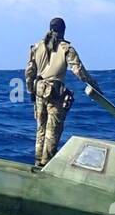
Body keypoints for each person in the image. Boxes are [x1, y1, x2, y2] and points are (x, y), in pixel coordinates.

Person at [25, 17, 102, 168]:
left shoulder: (36, 47)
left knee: (40, 129)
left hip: (39, 90)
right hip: (54, 93)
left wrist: (31, 91)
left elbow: (29, 72)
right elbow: (78, 70)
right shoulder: (66, 49)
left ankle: (37, 161)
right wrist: (93, 85)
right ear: (63, 31)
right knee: (52, 130)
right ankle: (46, 164)